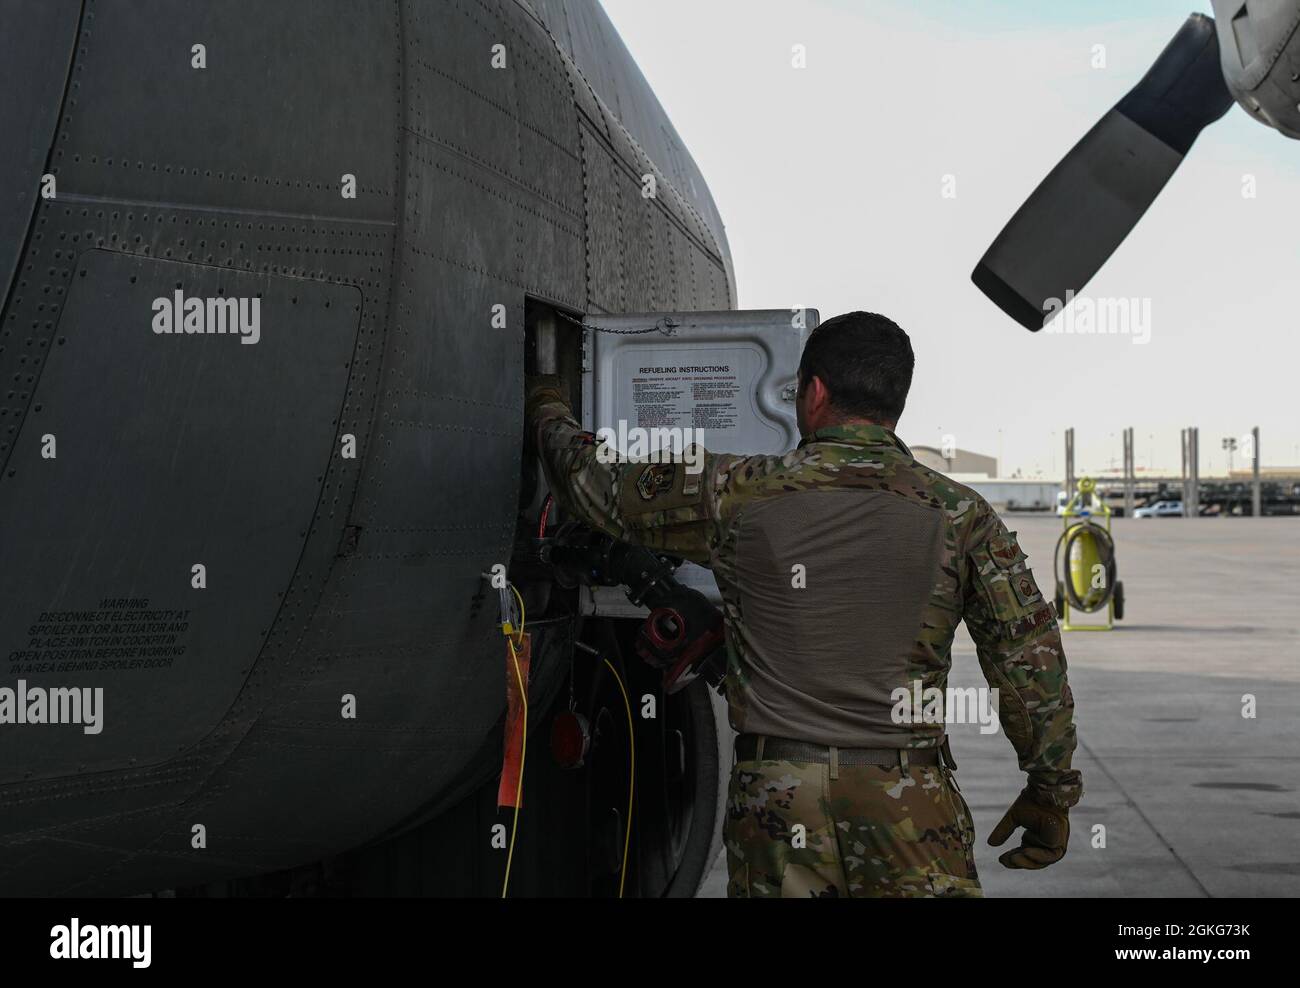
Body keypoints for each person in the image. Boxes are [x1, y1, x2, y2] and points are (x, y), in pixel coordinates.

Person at [525, 311, 1081, 897]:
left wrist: (546, 403)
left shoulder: (736, 492)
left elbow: (591, 482)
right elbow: (1028, 666)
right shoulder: (963, 516)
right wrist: (1050, 792)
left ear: (814, 392)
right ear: (896, 404)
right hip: (909, 804)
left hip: (778, 800)